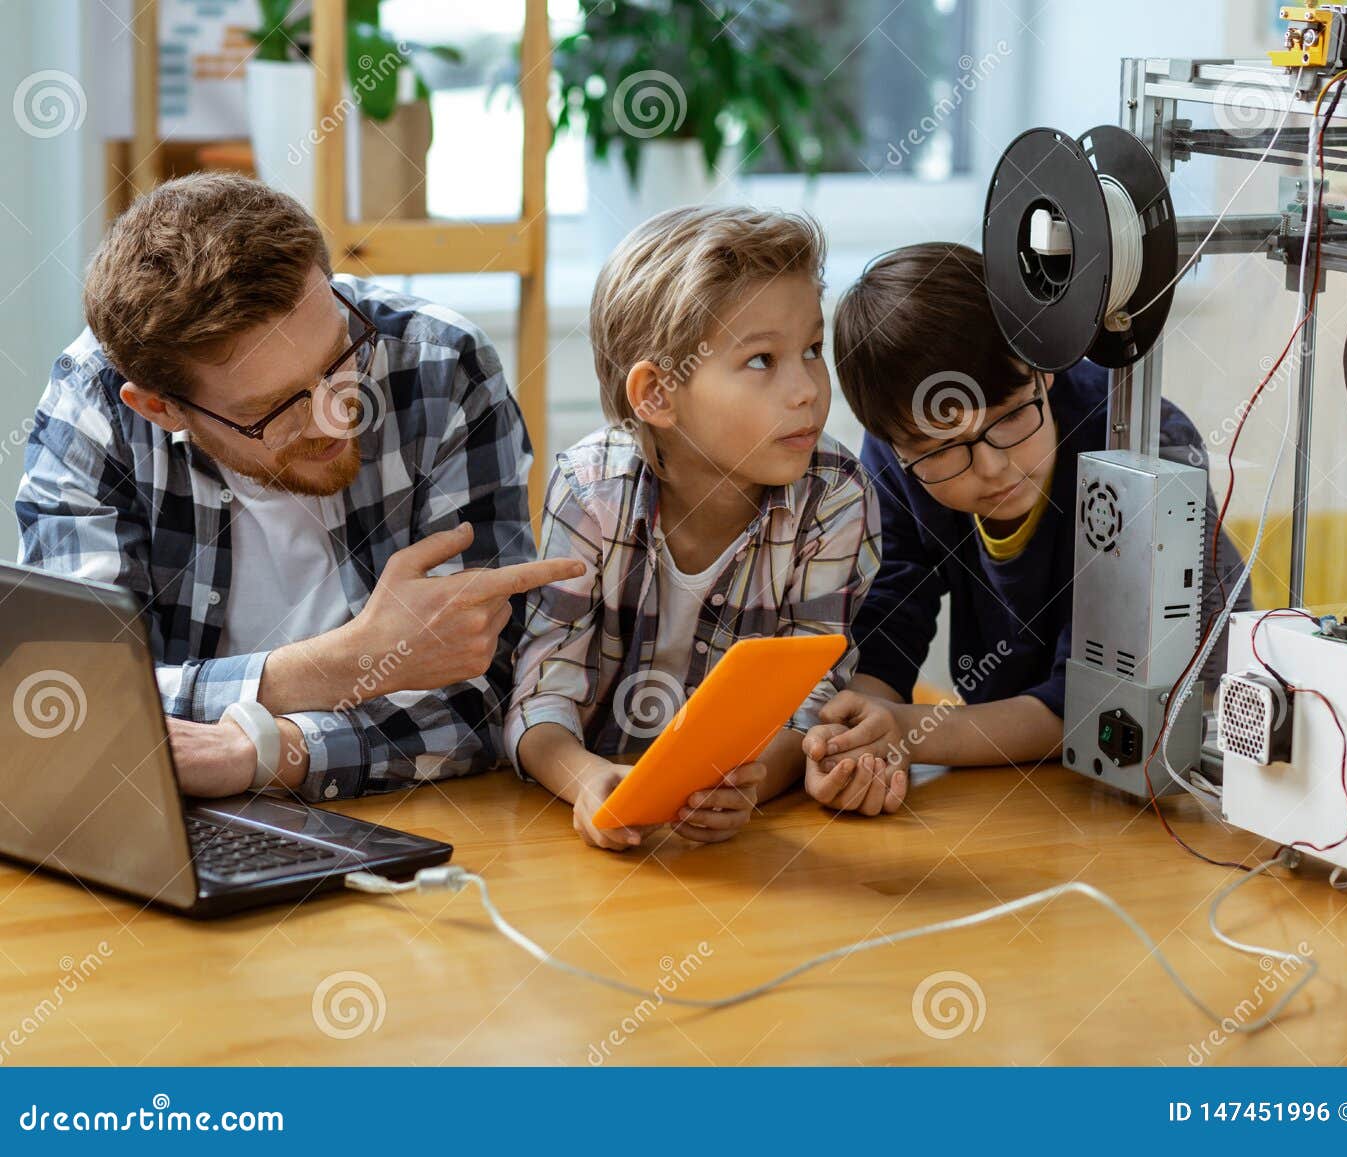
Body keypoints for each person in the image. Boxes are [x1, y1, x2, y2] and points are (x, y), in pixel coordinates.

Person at [16, 173, 581, 802]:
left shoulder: (441, 367)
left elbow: (486, 692)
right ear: (161, 408)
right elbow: (76, 693)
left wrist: (263, 751)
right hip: (158, 812)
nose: (337, 416)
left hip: (393, 812)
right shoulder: (93, 406)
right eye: (275, 408)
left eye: (339, 356)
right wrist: (351, 660)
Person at [804, 242, 1250, 814]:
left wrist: (908, 732)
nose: (993, 467)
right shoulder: (904, 452)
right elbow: (892, 617)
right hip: (1013, 754)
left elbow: (1094, 704)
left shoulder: (1141, 446)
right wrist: (858, 736)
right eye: (943, 450)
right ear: (896, 443)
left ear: (1044, 368)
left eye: (1012, 416)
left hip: (1178, 755)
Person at [507, 206, 882, 850]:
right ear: (657, 394)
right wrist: (588, 780)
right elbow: (542, 690)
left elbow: (812, 700)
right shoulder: (590, 491)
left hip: (746, 839)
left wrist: (749, 788)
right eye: (762, 360)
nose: (808, 390)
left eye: (812, 351)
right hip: (585, 838)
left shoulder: (836, 497)